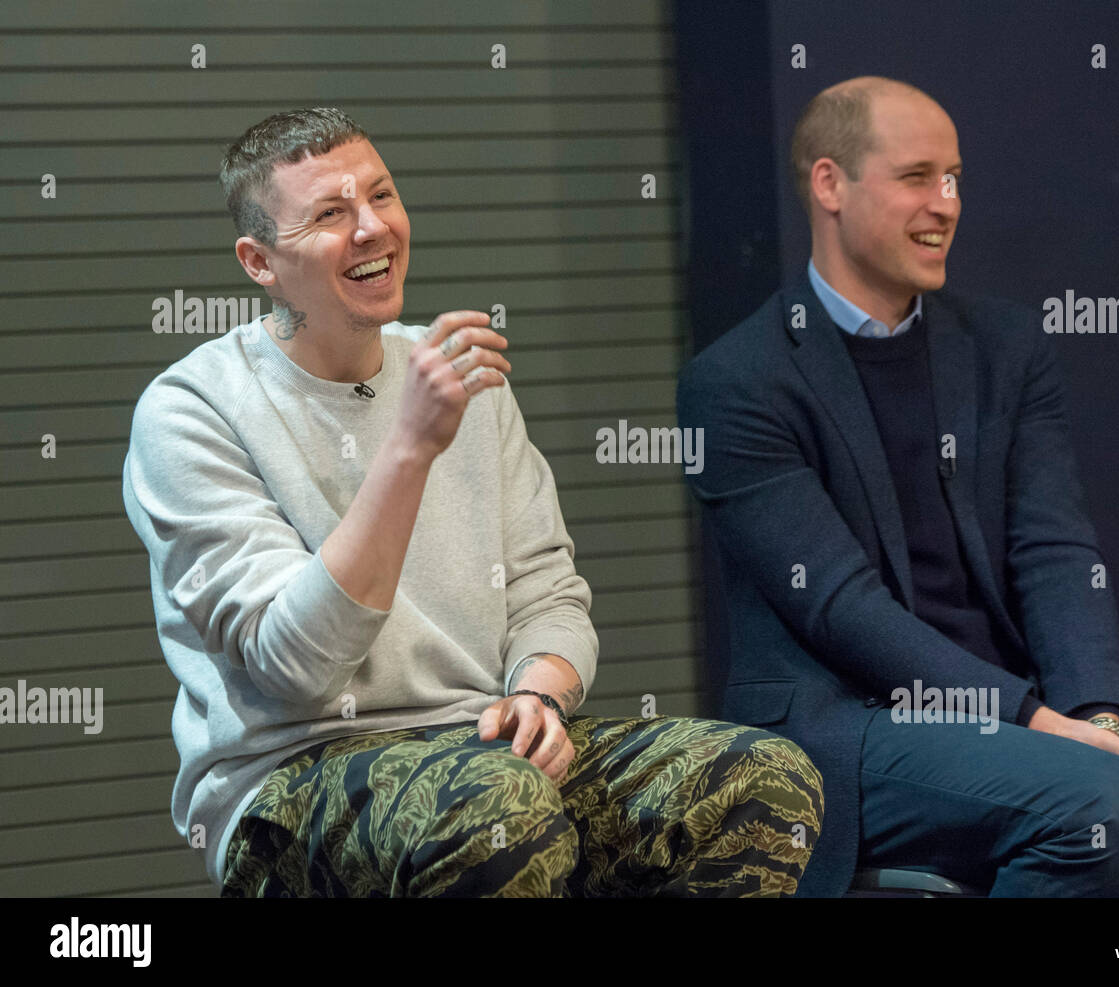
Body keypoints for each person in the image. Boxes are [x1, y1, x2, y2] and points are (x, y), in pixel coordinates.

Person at [121, 107, 823, 897]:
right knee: (500, 807)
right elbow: (295, 667)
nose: (371, 229)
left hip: (484, 746)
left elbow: (547, 591)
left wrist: (537, 694)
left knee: (760, 778)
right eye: (329, 214)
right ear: (259, 262)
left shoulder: (456, 376)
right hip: (289, 780)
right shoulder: (191, 411)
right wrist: (408, 449)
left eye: (381, 197)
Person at [675, 77, 1119, 897]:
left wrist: (1095, 714)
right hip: (852, 723)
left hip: (1024, 700)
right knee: (1100, 805)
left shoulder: (1006, 346)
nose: (946, 203)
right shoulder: (736, 383)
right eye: (917, 176)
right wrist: (1036, 723)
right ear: (830, 183)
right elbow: (838, 607)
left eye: (956, 177)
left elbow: (1055, 551)